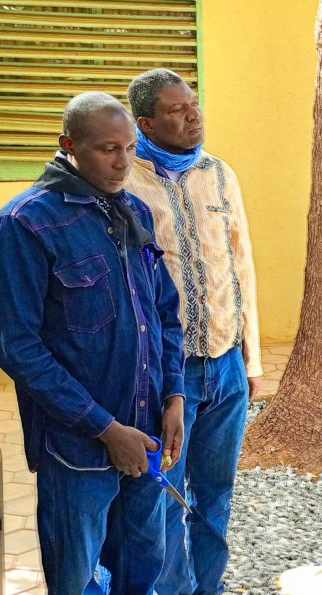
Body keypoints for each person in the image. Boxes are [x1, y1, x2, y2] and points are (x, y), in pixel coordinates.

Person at [0, 92, 185, 593]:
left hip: (146, 436)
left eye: (129, 147)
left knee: (141, 569)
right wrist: (106, 430)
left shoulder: (135, 212)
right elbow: (18, 347)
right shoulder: (25, 223)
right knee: (77, 581)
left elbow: (163, 311)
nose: (123, 162)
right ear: (69, 146)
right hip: (76, 451)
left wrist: (174, 396)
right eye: (108, 149)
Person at [124, 68, 263, 595]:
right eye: (177, 110)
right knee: (160, 497)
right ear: (145, 122)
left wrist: (251, 359)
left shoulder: (220, 173)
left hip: (225, 362)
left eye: (194, 104)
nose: (193, 115)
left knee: (215, 495)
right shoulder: (125, 180)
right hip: (164, 373)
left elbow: (241, 264)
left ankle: (208, 586)